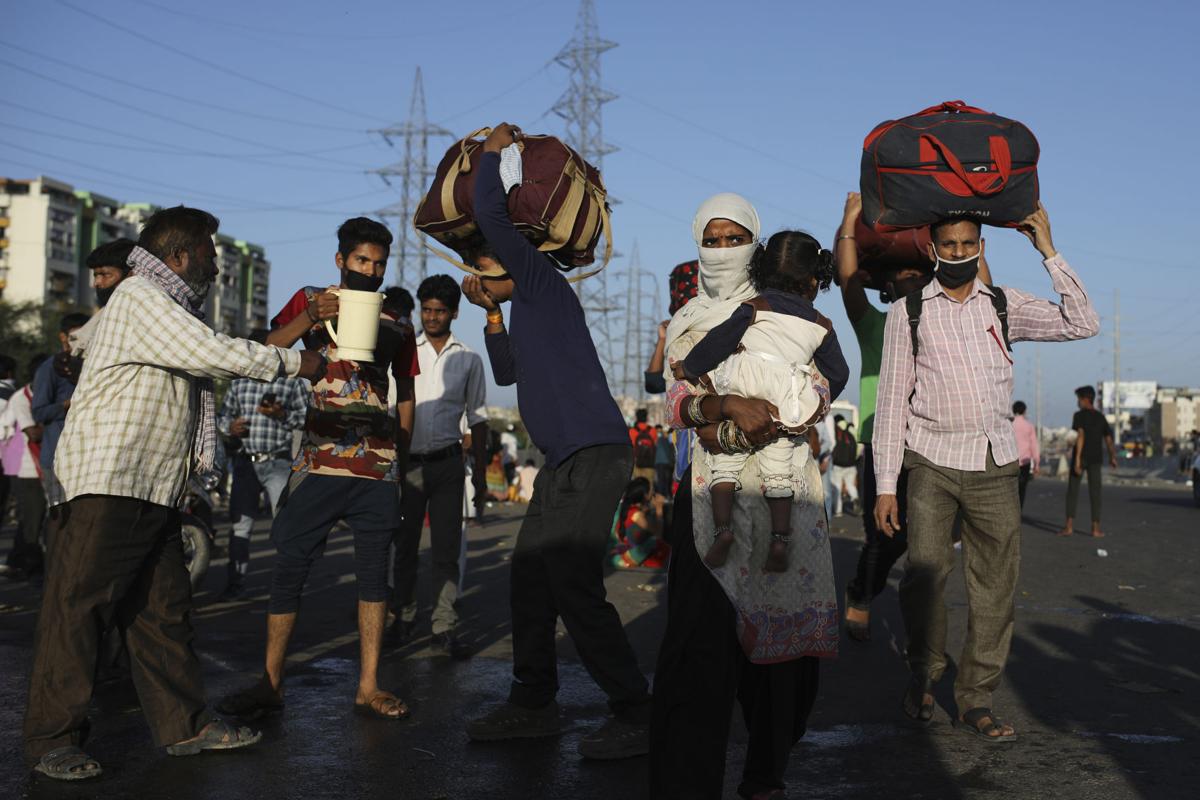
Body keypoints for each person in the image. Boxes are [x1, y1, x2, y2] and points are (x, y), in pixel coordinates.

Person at [23, 206, 327, 780]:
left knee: (162, 614)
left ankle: (184, 725)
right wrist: (299, 361)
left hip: (152, 487)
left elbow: (191, 349)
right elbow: (217, 353)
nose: (216, 264)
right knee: (79, 611)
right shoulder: (143, 299)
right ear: (181, 256)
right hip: (108, 482)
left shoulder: (158, 305)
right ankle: (50, 739)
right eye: (211, 253)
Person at [459, 122, 651, 760]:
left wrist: (491, 153)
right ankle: (533, 702)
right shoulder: (522, 307)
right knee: (530, 580)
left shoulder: (541, 281)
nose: (483, 269)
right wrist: (489, 311)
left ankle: (633, 709)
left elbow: (488, 210)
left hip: (595, 454)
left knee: (571, 581)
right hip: (567, 461)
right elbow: (508, 372)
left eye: (487, 262)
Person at [873, 203, 1099, 741]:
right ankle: (924, 676)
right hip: (930, 460)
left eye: (967, 244)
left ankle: (976, 697)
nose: (958, 253)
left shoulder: (1003, 306)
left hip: (997, 466)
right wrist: (886, 486)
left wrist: (1047, 249)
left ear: (981, 246)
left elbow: (1083, 323)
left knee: (996, 587)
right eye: (948, 246)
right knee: (925, 576)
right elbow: (890, 404)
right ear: (932, 250)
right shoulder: (908, 314)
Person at [651, 192, 837, 800]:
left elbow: (817, 394)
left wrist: (775, 406)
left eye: (736, 240)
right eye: (714, 238)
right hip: (712, 501)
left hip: (787, 499)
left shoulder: (789, 319)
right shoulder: (689, 320)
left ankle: (765, 777)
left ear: (757, 249)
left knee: (781, 668)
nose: (723, 251)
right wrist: (725, 405)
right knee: (698, 657)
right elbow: (675, 402)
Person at [218, 217, 418, 723]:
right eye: (361, 261)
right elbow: (266, 351)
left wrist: (403, 450)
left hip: (378, 466)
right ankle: (271, 682)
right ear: (341, 261)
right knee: (290, 567)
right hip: (317, 461)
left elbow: (406, 390)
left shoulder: (397, 317)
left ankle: (368, 686)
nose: (370, 271)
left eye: (378, 263)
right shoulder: (311, 299)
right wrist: (309, 317)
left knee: (375, 576)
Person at [836, 191, 991, 642]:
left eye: (914, 274)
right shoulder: (875, 326)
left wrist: (972, 238)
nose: (907, 279)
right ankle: (861, 592)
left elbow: (985, 289)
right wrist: (849, 220)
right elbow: (847, 279)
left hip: (930, 445)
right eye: (899, 275)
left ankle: (917, 623)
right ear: (887, 287)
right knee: (883, 536)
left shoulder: (943, 321)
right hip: (881, 443)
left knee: (923, 541)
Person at [673, 230, 848, 572]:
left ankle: (723, 532)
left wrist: (689, 367)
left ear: (761, 273)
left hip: (743, 387)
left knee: (724, 467)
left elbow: (718, 344)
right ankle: (780, 541)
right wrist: (813, 404)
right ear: (815, 282)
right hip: (784, 401)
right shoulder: (822, 325)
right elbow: (838, 374)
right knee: (779, 474)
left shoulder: (753, 308)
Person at [391, 274, 489, 657]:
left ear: (453, 313)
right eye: (427, 310)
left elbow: (478, 419)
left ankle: (443, 626)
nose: (432, 317)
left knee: (447, 550)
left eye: (439, 311)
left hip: (449, 465)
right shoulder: (403, 352)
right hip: (409, 466)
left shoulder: (468, 358)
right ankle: (403, 618)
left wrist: (480, 475)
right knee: (405, 547)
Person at [215, 329, 312, 600]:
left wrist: (282, 414)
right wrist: (230, 427)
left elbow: (306, 420)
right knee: (240, 526)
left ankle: (284, 587)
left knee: (283, 525)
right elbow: (223, 418)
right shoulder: (239, 383)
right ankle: (235, 585)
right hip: (246, 462)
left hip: (278, 462)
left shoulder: (290, 382)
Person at [31, 313, 90, 511]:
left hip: (87, 457)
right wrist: (66, 405)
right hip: (57, 458)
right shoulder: (49, 369)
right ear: (63, 337)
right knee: (60, 519)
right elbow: (39, 413)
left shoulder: (91, 366)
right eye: (75, 336)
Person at [0, 355, 48, 578]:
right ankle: (25, 562)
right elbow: (33, 433)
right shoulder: (17, 396)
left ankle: (22, 560)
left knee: (30, 514)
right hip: (22, 463)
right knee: (31, 515)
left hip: (15, 460)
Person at [1060, 385, 1116, 537]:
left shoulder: (1078, 416)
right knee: (1095, 493)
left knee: (1073, 492)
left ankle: (1069, 526)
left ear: (1085, 399)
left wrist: (1077, 460)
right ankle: (1095, 528)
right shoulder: (1100, 417)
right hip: (1096, 459)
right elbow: (1109, 439)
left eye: (1078, 399)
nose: (1077, 402)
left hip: (1081, 457)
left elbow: (1080, 436)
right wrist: (1112, 457)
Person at [70, 239, 137, 358]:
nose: (97, 282)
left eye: (106, 275)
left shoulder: (140, 314)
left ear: (130, 275)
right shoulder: (104, 314)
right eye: (96, 275)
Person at [610, 477, 666, 569]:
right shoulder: (637, 515)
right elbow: (658, 534)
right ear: (645, 495)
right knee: (657, 543)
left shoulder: (623, 507)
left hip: (613, 553)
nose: (653, 493)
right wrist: (659, 508)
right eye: (651, 490)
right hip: (622, 558)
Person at [1011, 401, 1039, 510]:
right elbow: (1034, 445)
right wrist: (1036, 463)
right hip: (1024, 463)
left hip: (1010, 461)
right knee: (1021, 490)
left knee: (1010, 491)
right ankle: (1018, 513)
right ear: (1024, 411)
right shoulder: (1029, 426)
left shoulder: (1009, 424)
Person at [830, 414, 859, 517]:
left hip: (838, 464)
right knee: (850, 485)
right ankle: (855, 497)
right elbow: (857, 445)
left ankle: (838, 511)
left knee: (837, 487)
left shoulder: (835, 429)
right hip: (851, 464)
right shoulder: (851, 429)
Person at [629, 408, 658, 485]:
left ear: (637, 417)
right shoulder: (653, 430)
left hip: (637, 463)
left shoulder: (632, 431)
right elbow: (655, 445)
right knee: (649, 486)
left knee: (638, 486)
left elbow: (631, 448)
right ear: (646, 417)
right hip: (650, 463)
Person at [653, 424, 675, 496]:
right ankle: (665, 494)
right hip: (666, 462)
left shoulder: (657, 439)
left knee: (661, 479)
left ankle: (662, 494)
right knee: (666, 479)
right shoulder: (668, 438)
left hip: (660, 462)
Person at [499, 423, 519, 488]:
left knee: (502, 479)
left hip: (501, 461)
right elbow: (513, 451)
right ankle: (509, 494)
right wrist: (515, 460)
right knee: (510, 479)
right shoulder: (513, 439)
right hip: (510, 461)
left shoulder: (502, 436)